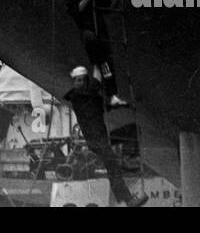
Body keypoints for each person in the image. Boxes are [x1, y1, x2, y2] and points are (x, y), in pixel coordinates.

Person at [63, 67, 148, 207]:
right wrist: (97, 64)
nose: (81, 83)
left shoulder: (92, 99)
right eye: (78, 80)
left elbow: (108, 105)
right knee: (112, 167)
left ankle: (129, 161)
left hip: (103, 138)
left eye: (83, 80)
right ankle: (128, 200)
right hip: (96, 141)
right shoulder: (77, 97)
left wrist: (129, 104)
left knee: (132, 129)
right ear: (75, 82)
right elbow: (96, 83)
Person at [63, 0, 127, 106]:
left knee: (106, 65)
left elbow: (108, 9)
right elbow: (76, 11)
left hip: (101, 31)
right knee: (100, 58)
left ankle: (110, 93)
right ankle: (99, 73)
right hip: (87, 31)